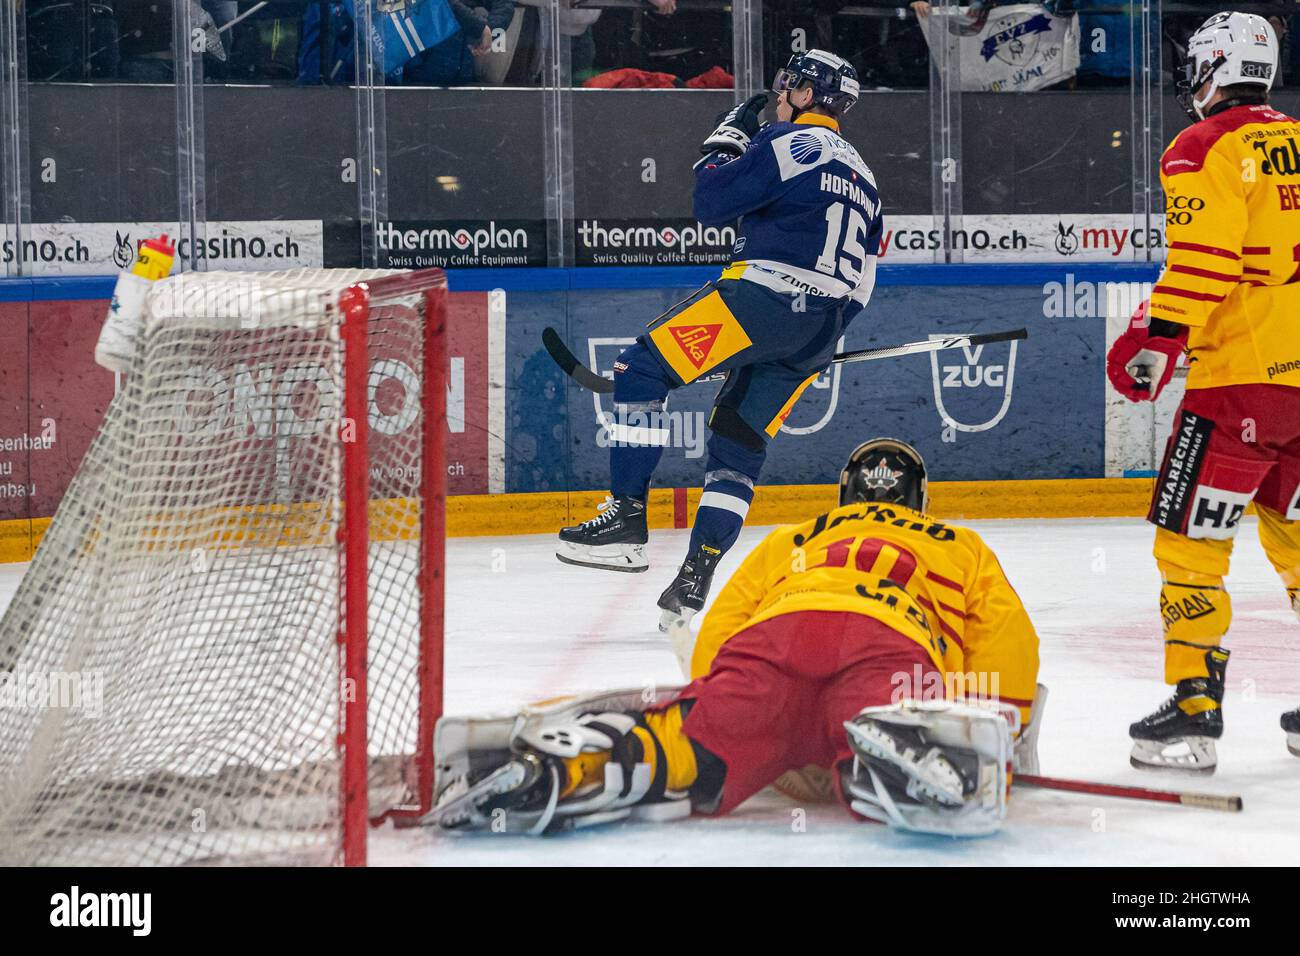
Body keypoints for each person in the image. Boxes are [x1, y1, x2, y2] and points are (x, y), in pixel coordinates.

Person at [435, 439, 1044, 837]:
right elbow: (1004, 635)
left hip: (775, 639)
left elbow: (725, 623)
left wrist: (714, 686)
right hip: (888, 638)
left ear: (844, 491)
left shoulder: (795, 536)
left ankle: (583, 759)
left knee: (696, 742)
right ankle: (914, 748)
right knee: (887, 712)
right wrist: (998, 721)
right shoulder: (958, 543)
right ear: (920, 499)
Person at [556, 50, 883, 631]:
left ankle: (626, 521)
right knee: (737, 447)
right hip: (819, 328)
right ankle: (694, 577)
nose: (780, 96)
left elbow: (710, 203)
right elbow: (862, 279)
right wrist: (813, 340)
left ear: (807, 95)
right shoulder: (865, 177)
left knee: (640, 370)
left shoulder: (790, 146)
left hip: (762, 300)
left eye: (788, 88)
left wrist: (729, 136)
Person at [1106, 11, 1300, 771]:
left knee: (1190, 543)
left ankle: (1193, 709)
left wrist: (1156, 339)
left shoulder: (1202, 146)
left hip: (1236, 391)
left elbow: (1208, 262)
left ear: (1212, 66)